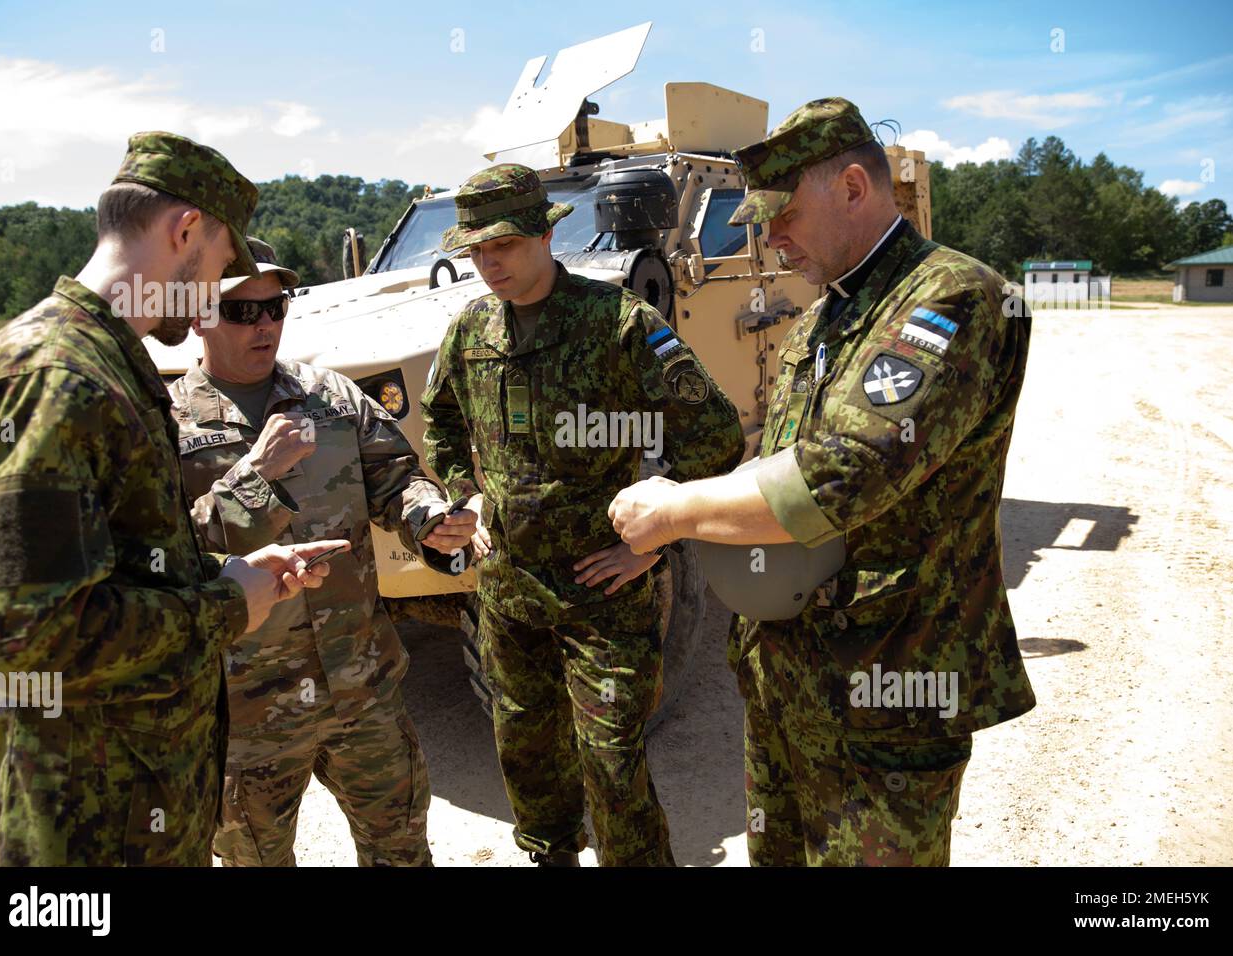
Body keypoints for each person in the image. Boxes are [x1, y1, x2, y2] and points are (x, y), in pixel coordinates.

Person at [609, 98, 1036, 866]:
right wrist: (691, 527)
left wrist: (676, 512)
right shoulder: (820, 320)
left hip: (889, 691)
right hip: (789, 685)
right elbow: (771, 465)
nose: (769, 239)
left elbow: (845, 473)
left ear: (851, 187)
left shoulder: (955, 297)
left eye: (782, 216)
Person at [0, 131, 346, 867]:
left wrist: (221, 573)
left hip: (127, 810)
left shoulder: (104, 362)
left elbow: (115, 565)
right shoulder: (57, 374)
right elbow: (28, 640)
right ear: (186, 230)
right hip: (77, 834)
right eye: (223, 266)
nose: (218, 293)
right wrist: (227, 605)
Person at [421, 164, 743, 866]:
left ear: (544, 232)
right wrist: (464, 494)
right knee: (526, 749)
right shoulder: (471, 327)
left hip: (605, 590)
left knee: (610, 761)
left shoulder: (618, 322)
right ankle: (552, 855)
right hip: (508, 589)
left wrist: (654, 542)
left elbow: (714, 434)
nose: (488, 264)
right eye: (475, 251)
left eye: (502, 245)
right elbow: (440, 421)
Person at [170, 237, 476, 866]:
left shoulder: (330, 397)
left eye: (274, 307)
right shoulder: (166, 426)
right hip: (248, 713)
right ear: (200, 316)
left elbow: (395, 476)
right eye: (241, 311)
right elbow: (165, 558)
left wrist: (429, 520)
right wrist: (257, 476)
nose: (265, 326)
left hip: (362, 688)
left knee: (401, 852)